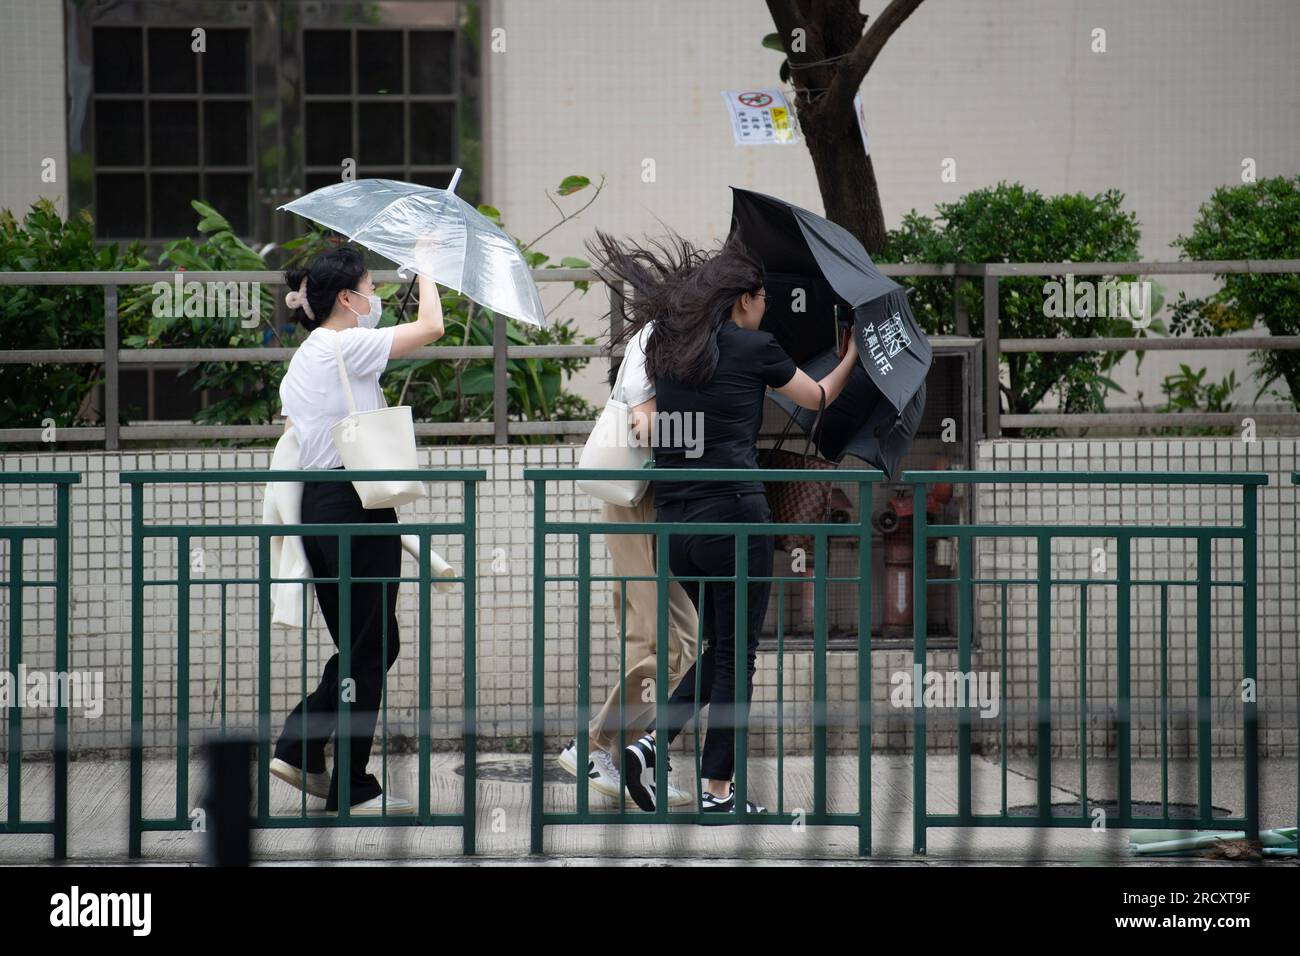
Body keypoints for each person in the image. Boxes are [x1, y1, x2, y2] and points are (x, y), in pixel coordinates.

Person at [590, 231, 858, 813]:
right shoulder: (752, 347)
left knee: (717, 651)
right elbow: (815, 398)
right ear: (744, 300)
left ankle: (648, 747)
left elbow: (649, 423)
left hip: (678, 530)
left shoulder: (669, 349)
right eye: (762, 300)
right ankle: (718, 793)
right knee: (738, 658)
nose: (765, 310)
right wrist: (851, 358)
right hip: (736, 522)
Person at [271, 243, 445, 816]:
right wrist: (430, 272)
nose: (373, 296)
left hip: (321, 508)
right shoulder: (346, 344)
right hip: (356, 507)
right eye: (369, 288)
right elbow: (433, 326)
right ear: (346, 298)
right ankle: (341, 774)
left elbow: (302, 428)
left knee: (368, 643)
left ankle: (307, 749)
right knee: (371, 644)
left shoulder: (306, 358)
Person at [556, 319, 697, 808]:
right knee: (682, 646)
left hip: (641, 497)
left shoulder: (671, 336)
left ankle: (624, 757)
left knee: (644, 640)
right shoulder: (656, 337)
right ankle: (596, 745)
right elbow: (644, 422)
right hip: (637, 497)